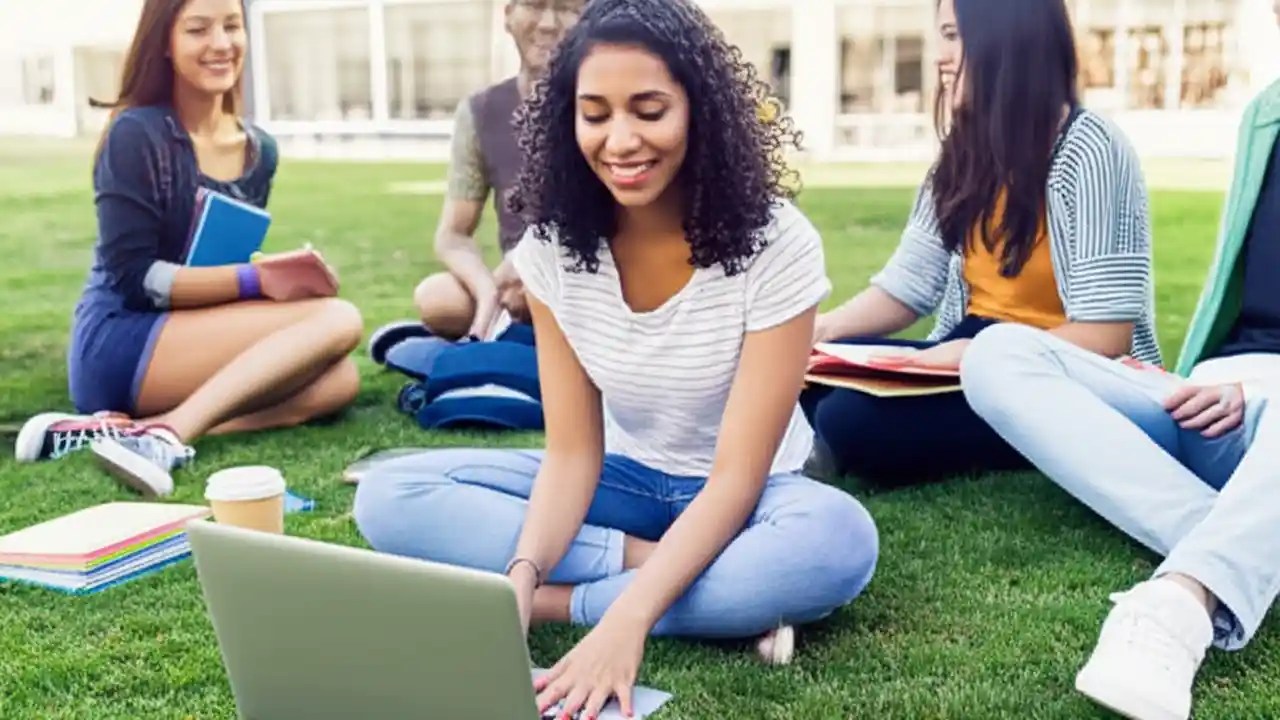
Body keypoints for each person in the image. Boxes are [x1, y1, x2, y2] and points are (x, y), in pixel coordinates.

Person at [352, 0, 879, 716]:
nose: (621, 140)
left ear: (701, 111)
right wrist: (518, 573)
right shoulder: (552, 251)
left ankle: (569, 605)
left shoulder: (778, 244)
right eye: (595, 114)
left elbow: (736, 475)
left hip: (754, 497)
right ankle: (700, 592)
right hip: (622, 482)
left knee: (838, 541)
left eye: (649, 109)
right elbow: (572, 455)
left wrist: (615, 620)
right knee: (389, 496)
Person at [959, 46, 1280, 720]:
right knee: (996, 356)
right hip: (1211, 394)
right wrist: (1185, 379)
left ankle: (1184, 600)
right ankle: (1241, 542)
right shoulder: (1265, 115)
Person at [799, 0, 1160, 486]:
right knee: (807, 374)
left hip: (1063, 371)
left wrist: (975, 353)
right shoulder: (964, 150)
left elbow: (1106, 336)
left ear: (1005, 41)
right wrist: (820, 334)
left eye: (953, 35)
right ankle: (812, 439)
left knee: (852, 419)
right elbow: (909, 285)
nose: (940, 58)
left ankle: (820, 445)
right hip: (972, 346)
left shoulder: (1088, 148)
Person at [13, 0, 362, 498]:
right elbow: (133, 281)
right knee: (337, 319)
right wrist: (255, 281)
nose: (221, 44)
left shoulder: (258, 150)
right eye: (198, 29)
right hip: (120, 338)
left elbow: (215, 260)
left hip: (190, 327)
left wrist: (279, 274)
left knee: (339, 382)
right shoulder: (136, 134)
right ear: (165, 44)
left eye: (232, 26)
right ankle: (167, 435)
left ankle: (130, 431)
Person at [367, 0, 586, 359]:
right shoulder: (481, 112)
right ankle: (502, 334)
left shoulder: (603, 104)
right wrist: (487, 291)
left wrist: (534, 261)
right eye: (534, 5)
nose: (548, 23)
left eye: (566, 8)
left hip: (585, 276)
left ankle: (500, 346)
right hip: (513, 292)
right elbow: (453, 234)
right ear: (508, 15)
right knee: (437, 298)